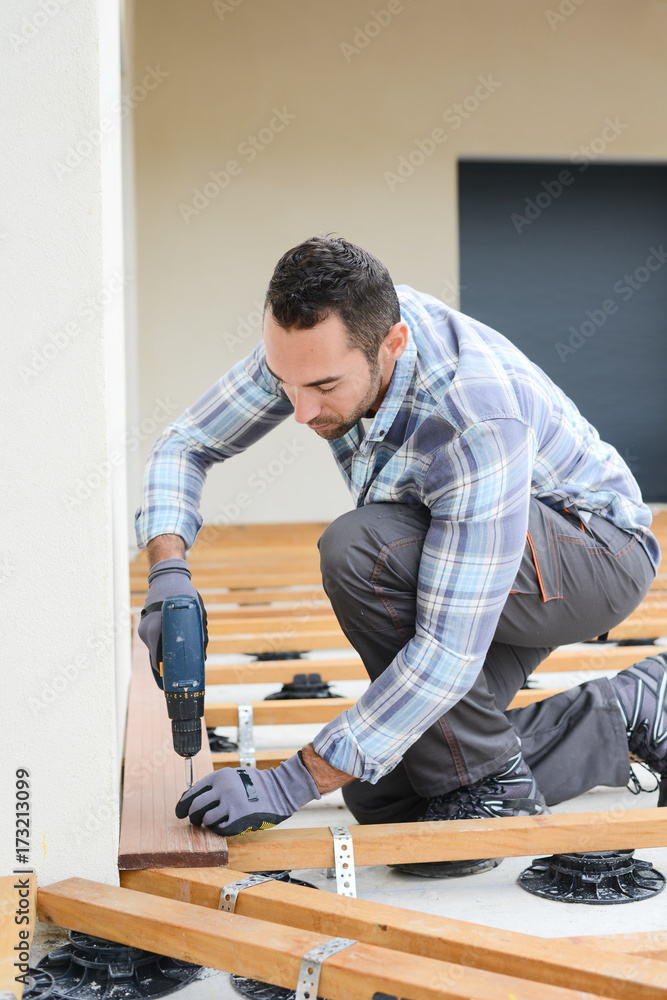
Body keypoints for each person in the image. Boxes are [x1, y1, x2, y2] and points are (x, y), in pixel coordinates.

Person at [137, 235, 665, 878]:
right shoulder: (313, 348)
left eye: (324, 387)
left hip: (592, 553)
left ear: (392, 345)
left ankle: (491, 785)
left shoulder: (473, 414)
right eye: (286, 383)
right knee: (385, 796)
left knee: (361, 549)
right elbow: (186, 442)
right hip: (480, 555)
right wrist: (168, 567)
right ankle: (631, 707)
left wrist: (293, 780)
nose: (300, 411)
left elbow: (447, 652)